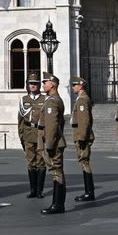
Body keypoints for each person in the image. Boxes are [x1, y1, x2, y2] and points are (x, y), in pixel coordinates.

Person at [39, 74, 67, 214]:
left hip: (53, 143)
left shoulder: (52, 102)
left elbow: (51, 125)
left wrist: (49, 145)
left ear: (52, 85)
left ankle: (57, 204)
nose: (43, 84)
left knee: (56, 172)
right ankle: (58, 203)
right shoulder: (55, 100)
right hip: (56, 141)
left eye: (45, 82)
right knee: (57, 171)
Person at [18, 75, 47, 199]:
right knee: (31, 162)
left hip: (40, 134)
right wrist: (21, 135)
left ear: (39, 85)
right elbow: (20, 120)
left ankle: (40, 190)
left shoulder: (45, 99)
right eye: (31, 83)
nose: (33, 85)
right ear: (28, 85)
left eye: (35, 83)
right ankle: (33, 190)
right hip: (28, 133)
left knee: (41, 162)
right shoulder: (23, 99)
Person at [70, 77, 95, 202]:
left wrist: (82, 137)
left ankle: (89, 192)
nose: (73, 87)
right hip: (81, 135)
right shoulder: (83, 99)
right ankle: (89, 191)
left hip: (82, 136)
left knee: (84, 162)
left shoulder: (82, 100)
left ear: (80, 86)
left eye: (74, 85)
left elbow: (84, 120)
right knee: (84, 162)